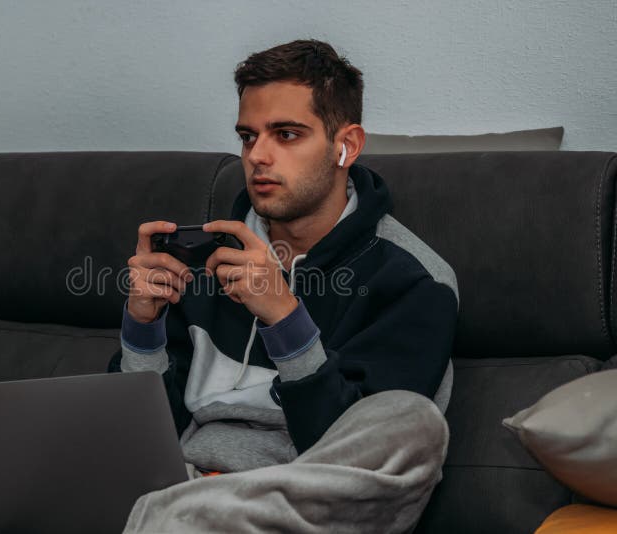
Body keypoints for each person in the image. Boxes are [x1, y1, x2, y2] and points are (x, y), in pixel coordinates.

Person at [110, 39, 458, 533]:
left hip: (297, 505)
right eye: (248, 137)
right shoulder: (204, 259)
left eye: (287, 134)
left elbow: (352, 457)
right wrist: (142, 331)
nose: (258, 156)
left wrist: (285, 318)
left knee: (411, 421)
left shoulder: (413, 281)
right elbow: (136, 439)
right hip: (174, 490)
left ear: (347, 146)